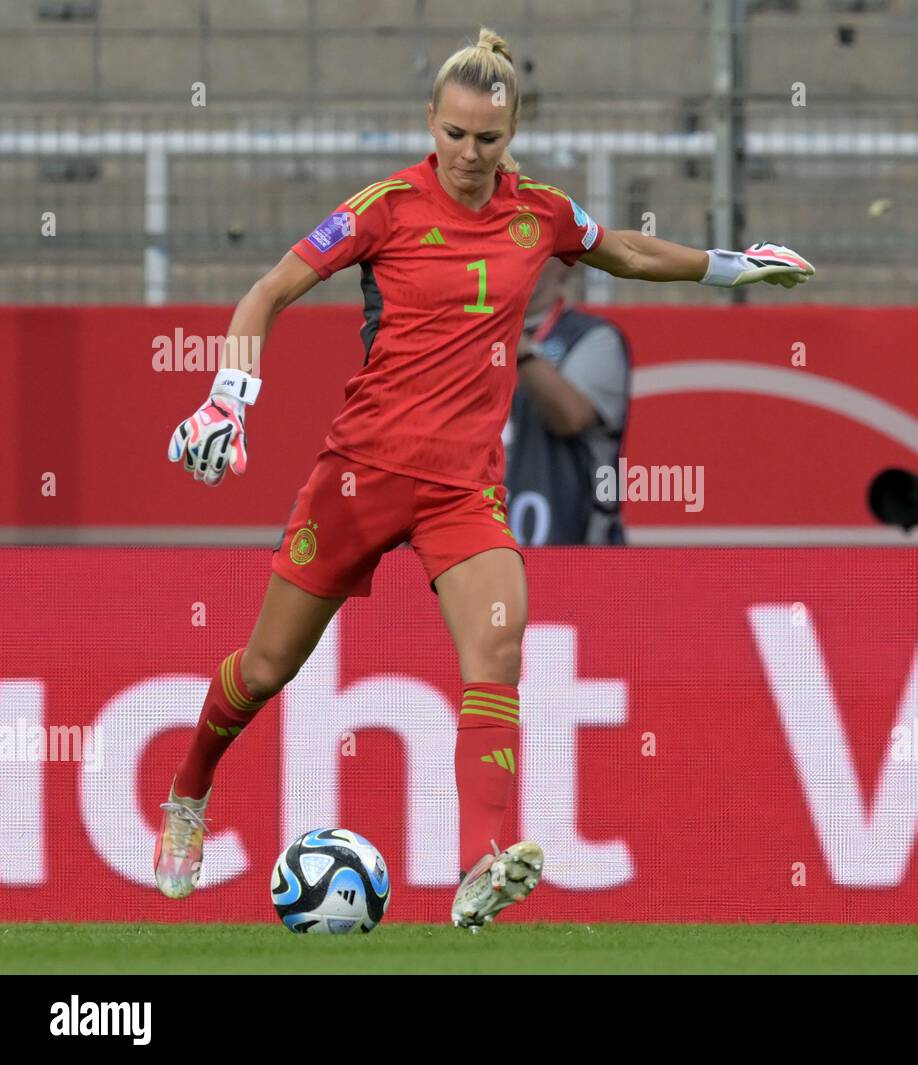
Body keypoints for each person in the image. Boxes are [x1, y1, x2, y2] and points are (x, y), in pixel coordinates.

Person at [155, 26, 815, 930]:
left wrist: (734, 265)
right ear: (432, 123)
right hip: (359, 476)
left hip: (463, 488)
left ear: (512, 136)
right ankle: (191, 790)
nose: (470, 155)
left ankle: (480, 865)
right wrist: (231, 396)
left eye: (489, 139)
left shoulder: (537, 213)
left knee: (499, 649)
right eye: (456, 135)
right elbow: (266, 293)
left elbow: (620, 250)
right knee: (267, 667)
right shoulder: (384, 208)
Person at [505, 257, 630, 545]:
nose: (514, 258)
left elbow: (569, 417)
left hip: (572, 557)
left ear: (566, 262)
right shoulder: (463, 337)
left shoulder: (594, 338)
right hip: (480, 550)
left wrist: (511, 336)